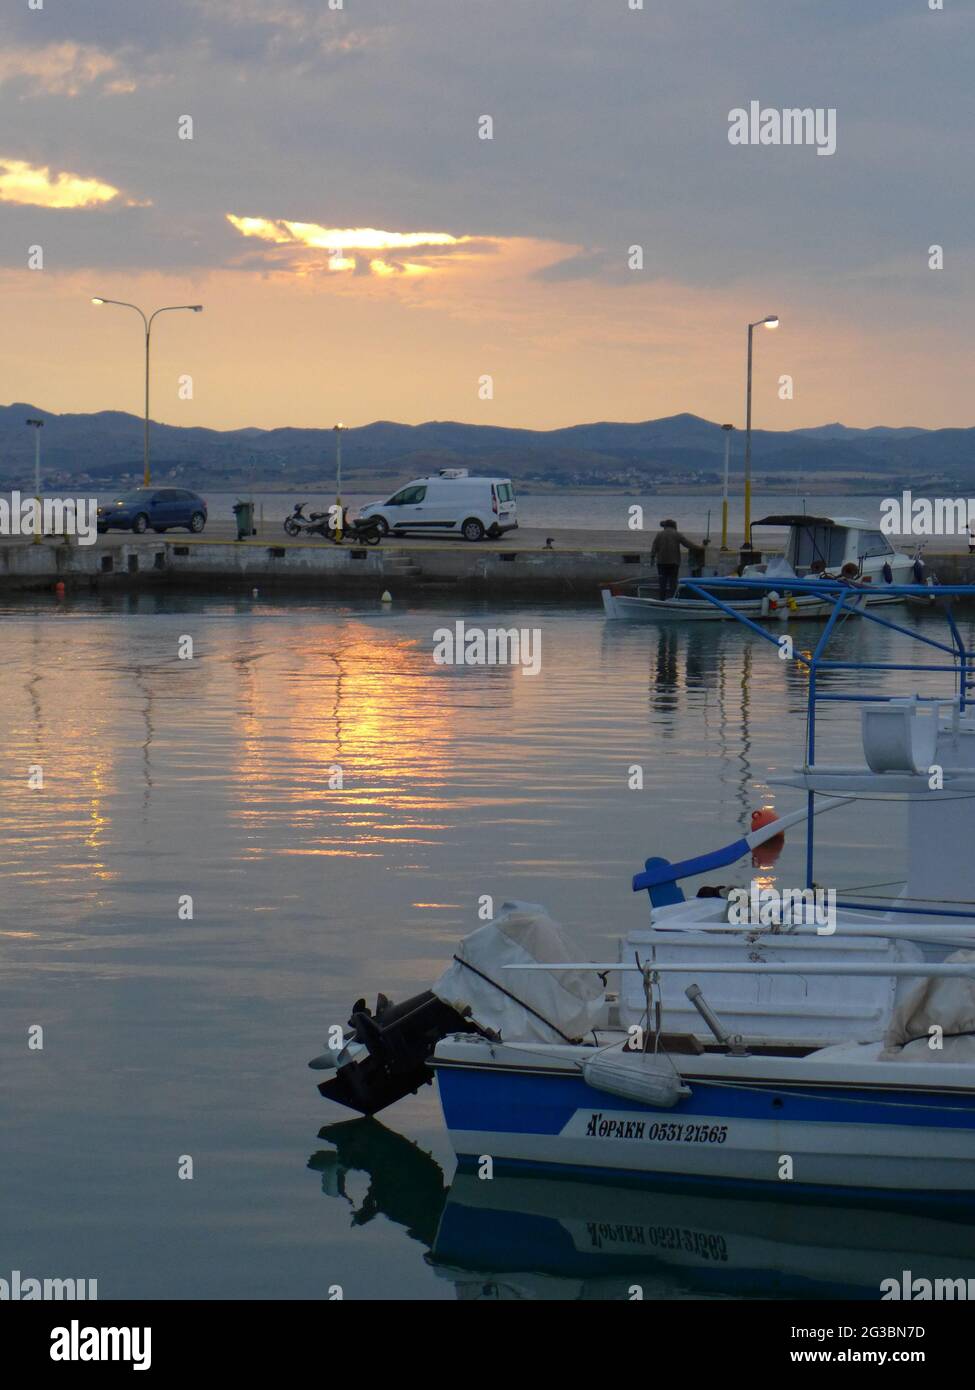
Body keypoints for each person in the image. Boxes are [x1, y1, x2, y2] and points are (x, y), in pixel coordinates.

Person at [650, 519, 695, 600]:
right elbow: (687, 544)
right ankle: (672, 599)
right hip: (674, 562)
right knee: (673, 583)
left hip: (661, 562)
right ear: (674, 526)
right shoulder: (677, 534)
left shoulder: (659, 534)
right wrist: (700, 547)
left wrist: (652, 558)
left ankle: (662, 600)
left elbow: (654, 547)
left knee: (662, 583)